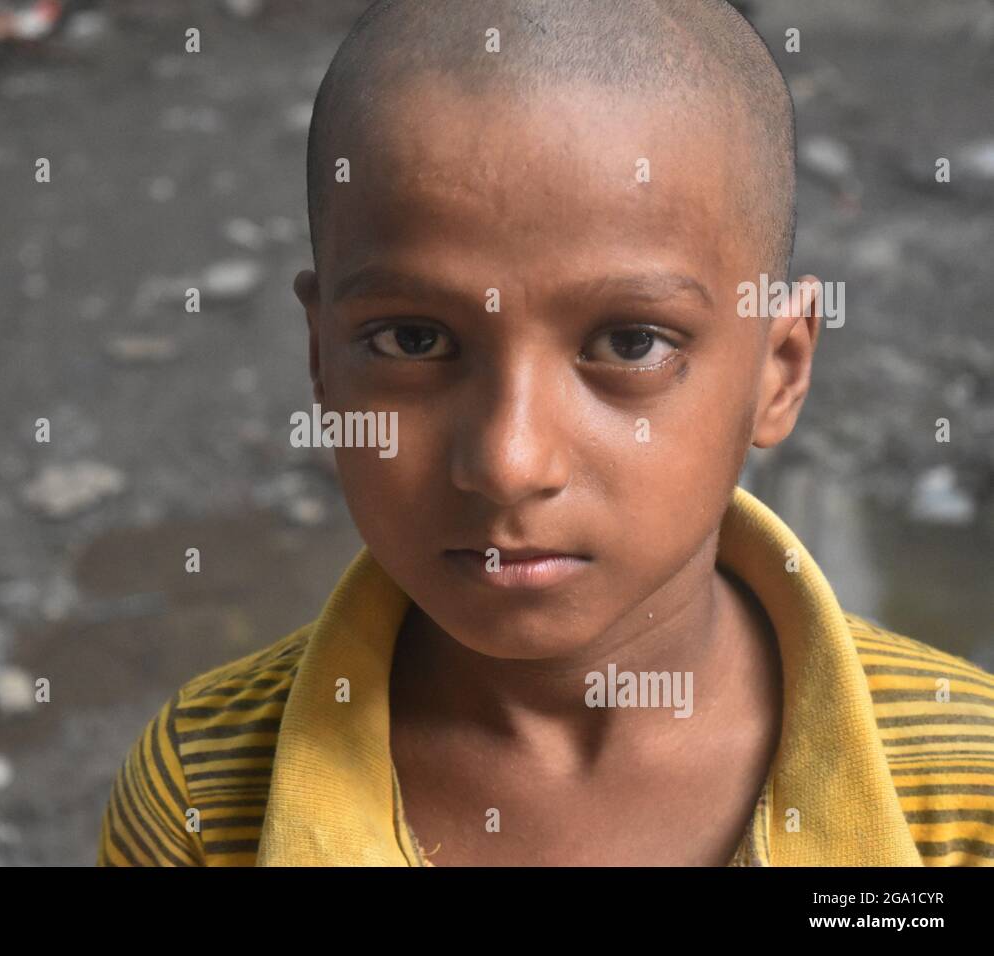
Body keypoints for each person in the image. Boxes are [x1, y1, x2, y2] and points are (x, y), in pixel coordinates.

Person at [98, 0, 994, 866]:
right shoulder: (203, 804)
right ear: (322, 360)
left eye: (630, 343)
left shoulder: (963, 794)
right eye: (415, 340)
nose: (508, 461)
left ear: (780, 371)